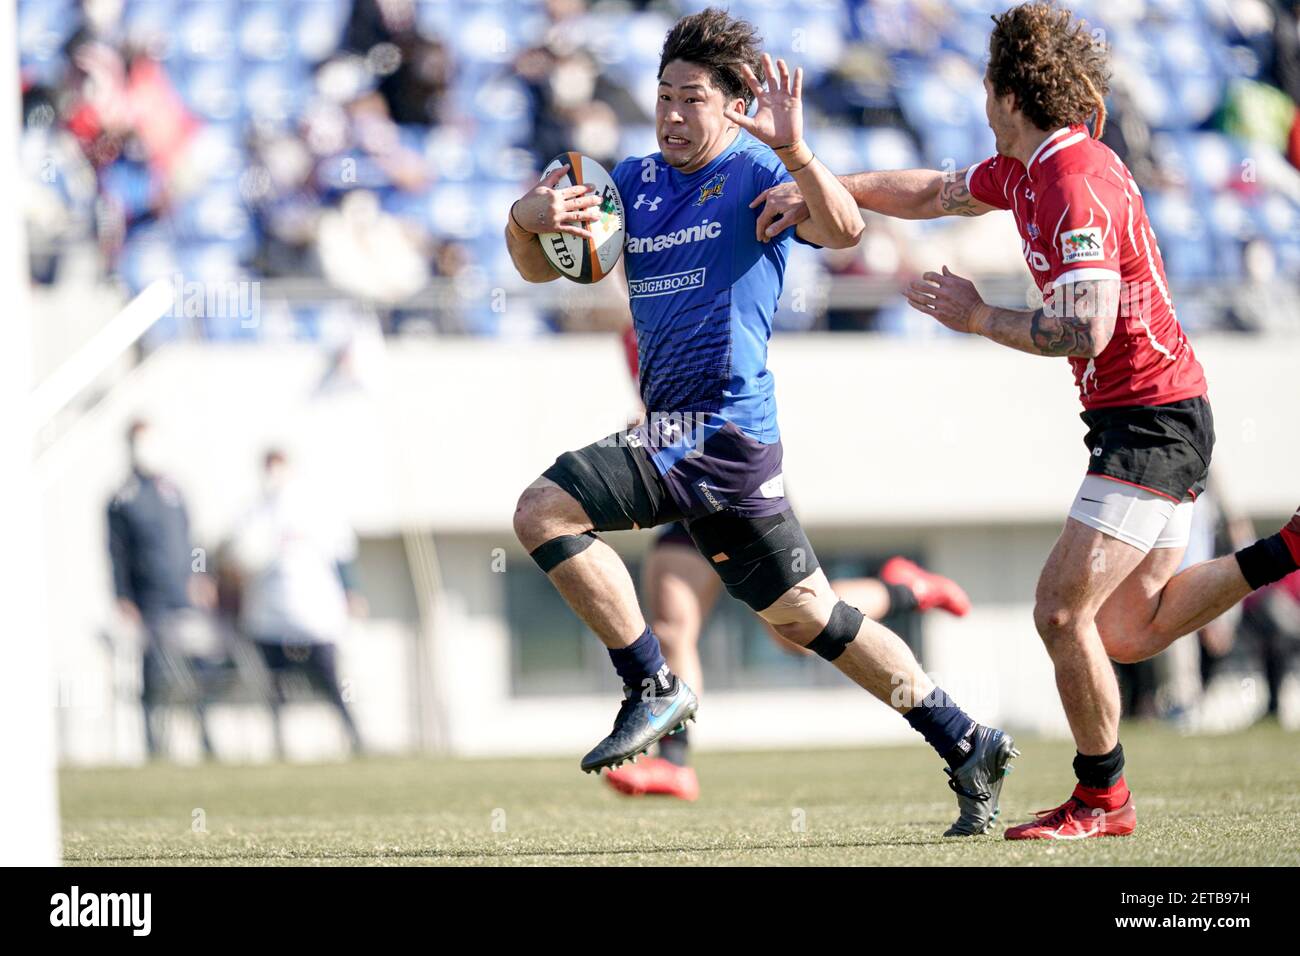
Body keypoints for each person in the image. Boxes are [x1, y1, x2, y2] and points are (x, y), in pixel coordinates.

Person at [756, 1, 1300, 839]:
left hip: (1150, 421)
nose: (979, 98)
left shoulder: (1072, 180)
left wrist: (978, 316)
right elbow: (933, 192)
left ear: (1007, 94)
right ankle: (1288, 551)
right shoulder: (1030, 168)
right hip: (1154, 415)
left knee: (1058, 613)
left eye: (984, 84)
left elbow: (1087, 327)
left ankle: (1101, 798)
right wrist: (816, 185)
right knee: (1128, 627)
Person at [507, 7, 1017, 837]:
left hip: (715, 430)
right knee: (807, 618)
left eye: (693, 99)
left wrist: (795, 151)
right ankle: (965, 738)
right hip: (711, 447)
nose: (673, 114)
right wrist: (525, 220)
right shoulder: (628, 182)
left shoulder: (757, 171)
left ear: (734, 104)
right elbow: (538, 267)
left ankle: (652, 685)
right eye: (664, 95)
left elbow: (846, 228)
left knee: (542, 510)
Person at [606, 326, 972, 801]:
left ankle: (903, 589)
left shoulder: (705, 298)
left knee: (796, 635)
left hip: (736, 486)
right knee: (672, 626)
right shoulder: (635, 323)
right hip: (682, 487)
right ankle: (674, 763)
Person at [227, 449, 367, 757]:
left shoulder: (314, 507)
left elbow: (340, 552)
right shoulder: (254, 512)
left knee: (331, 682)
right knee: (274, 687)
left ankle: (356, 738)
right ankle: (280, 745)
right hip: (270, 619)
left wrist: (351, 591)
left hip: (313, 617)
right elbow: (241, 556)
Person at [107, 418, 220, 757]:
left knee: (199, 669)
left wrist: (200, 577)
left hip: (183, 598)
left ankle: (206, 739)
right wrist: (123, 596)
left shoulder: (174, 492)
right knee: (155, 673)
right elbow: (116, 553)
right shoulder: (121, 499)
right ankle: (153, 744)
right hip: (149, 602)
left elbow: (194, 542)